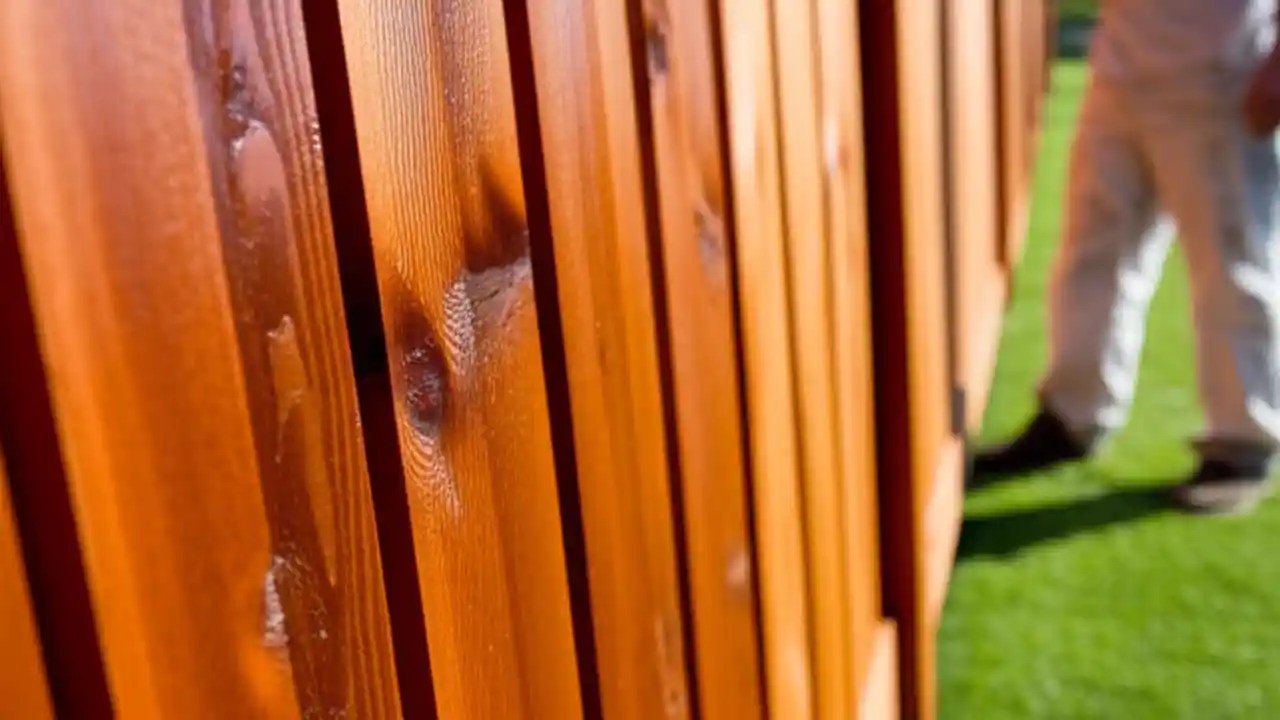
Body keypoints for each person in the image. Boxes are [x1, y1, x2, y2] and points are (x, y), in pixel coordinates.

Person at [976, 0, 1280, 514]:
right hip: (1120, 69)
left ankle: (1243, 442)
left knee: (1231, 264)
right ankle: (1073, 415)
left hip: (1220, 73)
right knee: (1091, 253)